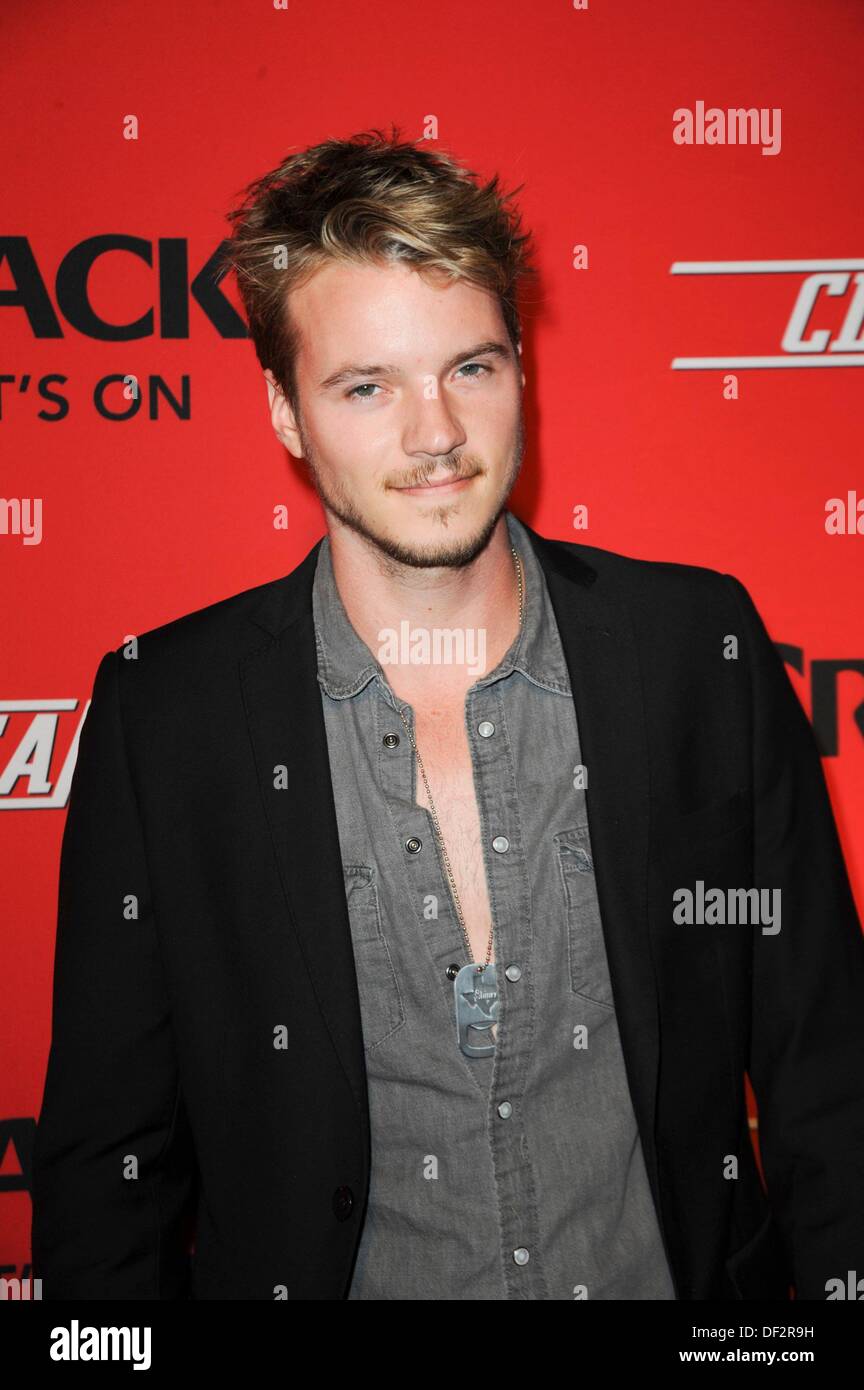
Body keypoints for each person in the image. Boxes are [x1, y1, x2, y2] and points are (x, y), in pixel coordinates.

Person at [31, 128, 864, 1300]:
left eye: (470, 367)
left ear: (522, 365)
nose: (436, 434)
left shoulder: (696, 651)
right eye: (367, 386)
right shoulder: (164, 716)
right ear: (283, 411)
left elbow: (829, 1072)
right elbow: (106, 1177)